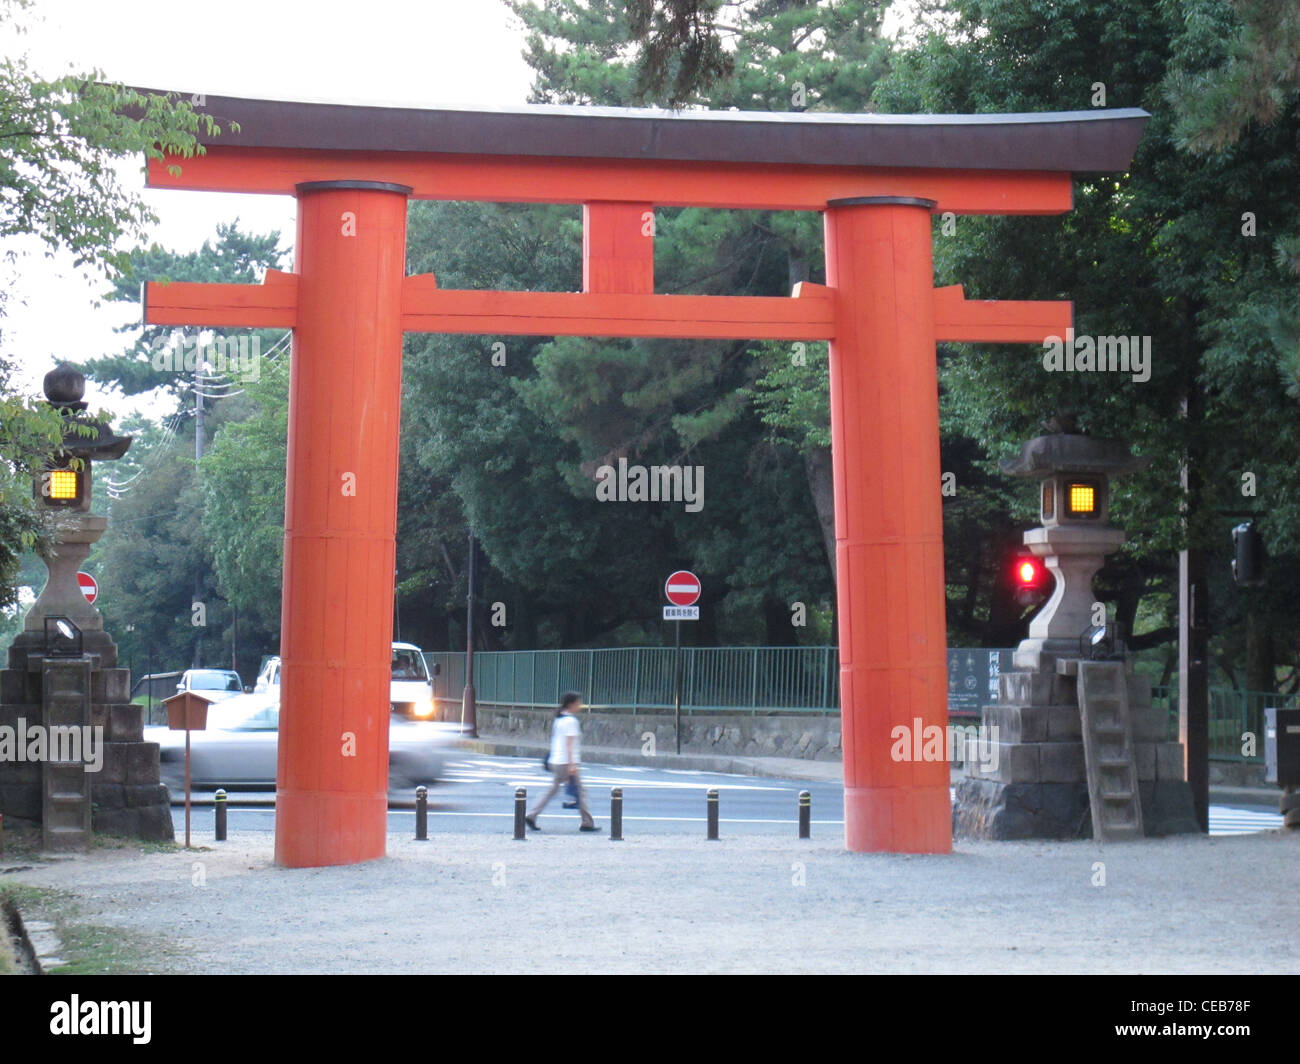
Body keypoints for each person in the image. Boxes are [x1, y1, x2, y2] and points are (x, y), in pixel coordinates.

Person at [526, 692, 597, 832]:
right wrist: (572, 765)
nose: (580, 706)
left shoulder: (560, 719)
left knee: (553, 789)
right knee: (580, 791)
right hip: (565, 762)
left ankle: (531, 815)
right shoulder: (571, 721)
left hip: (556, 760)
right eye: (578, 703)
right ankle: (587, 822)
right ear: (571, 704)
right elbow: (569, 744)